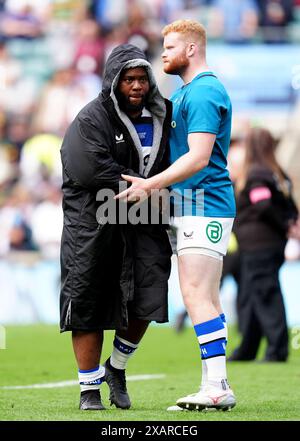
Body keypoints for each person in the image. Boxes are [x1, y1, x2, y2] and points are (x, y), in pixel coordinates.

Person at [116, 19, 236, 411]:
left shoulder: (202, 92)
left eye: (169, 46)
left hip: (204, 204)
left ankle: (217, 386)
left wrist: (150, 185)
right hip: (199, 206)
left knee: (196, 294)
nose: (162, 53)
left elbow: (199, 157)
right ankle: (215, 384)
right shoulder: (189, 92)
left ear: (191, 49)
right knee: (208, 298)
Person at [60, 43, 172, 411]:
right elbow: (89, 169)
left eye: (142, 79)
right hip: (94, 223)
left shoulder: (163, 115)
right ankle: (88, 390)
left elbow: (178, 162)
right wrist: (144, 187)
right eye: (128, 79)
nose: (137, 86)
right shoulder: (92, 117)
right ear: (113, 81)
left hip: (144, 220)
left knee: (149, 294)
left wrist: (159, 194)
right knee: (89, 301)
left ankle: (117, 367)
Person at [229, 127, 298, 362]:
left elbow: (263, 205)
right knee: (251, 295)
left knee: (266, 295)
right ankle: (248, 348)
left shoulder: (257, 173)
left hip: (259, 245)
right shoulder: (277, 173)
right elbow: (289, 204)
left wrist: (283, 225)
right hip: (267, 245)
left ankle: (277, 350)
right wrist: (289, 223)